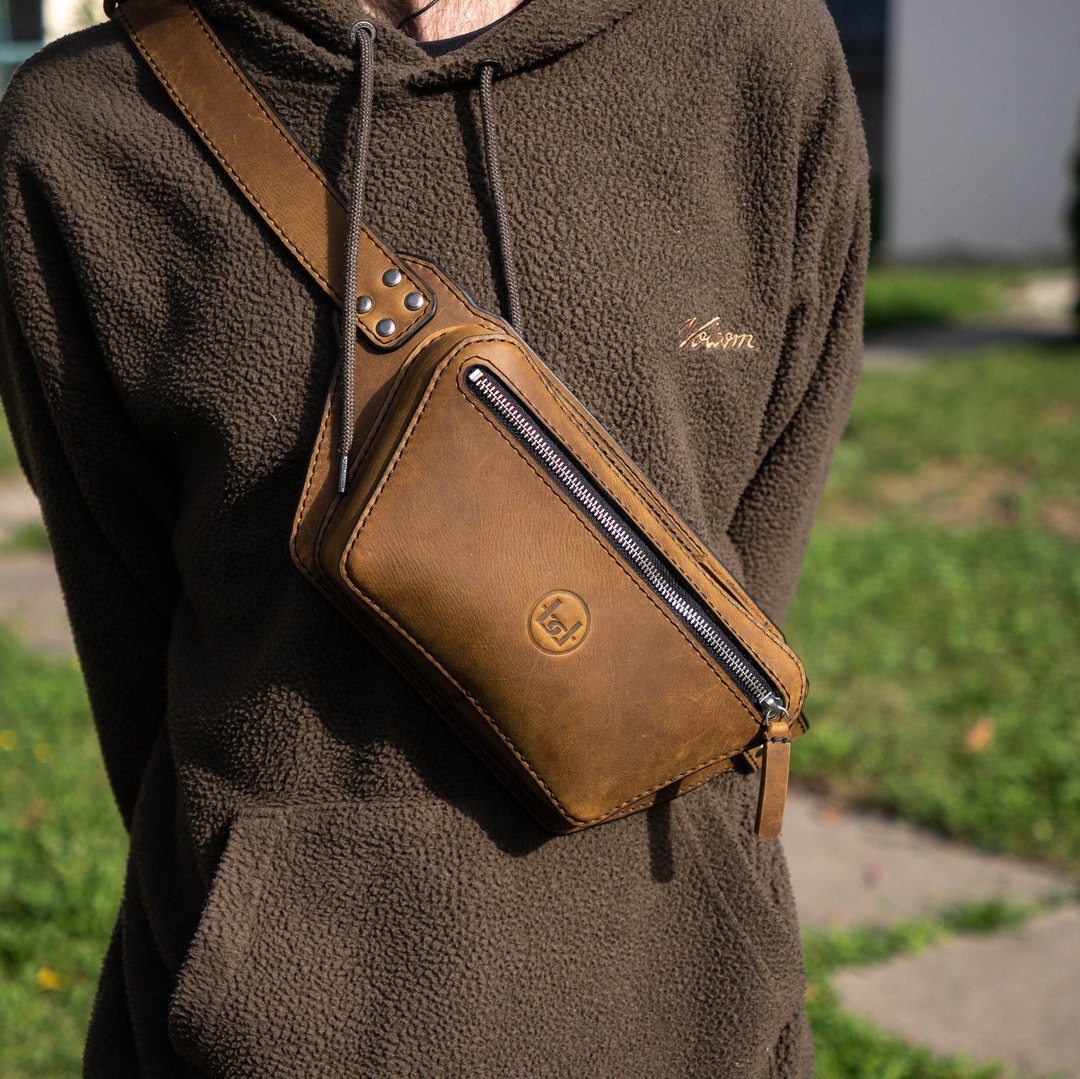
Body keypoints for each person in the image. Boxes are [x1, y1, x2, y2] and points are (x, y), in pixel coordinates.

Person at [0, 0, 868, 1074]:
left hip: (691, 1005)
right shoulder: (89, 126)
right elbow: (130, 640)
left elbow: (733, 619)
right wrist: (253, 930)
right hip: (264, 1035)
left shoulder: (756, 50)